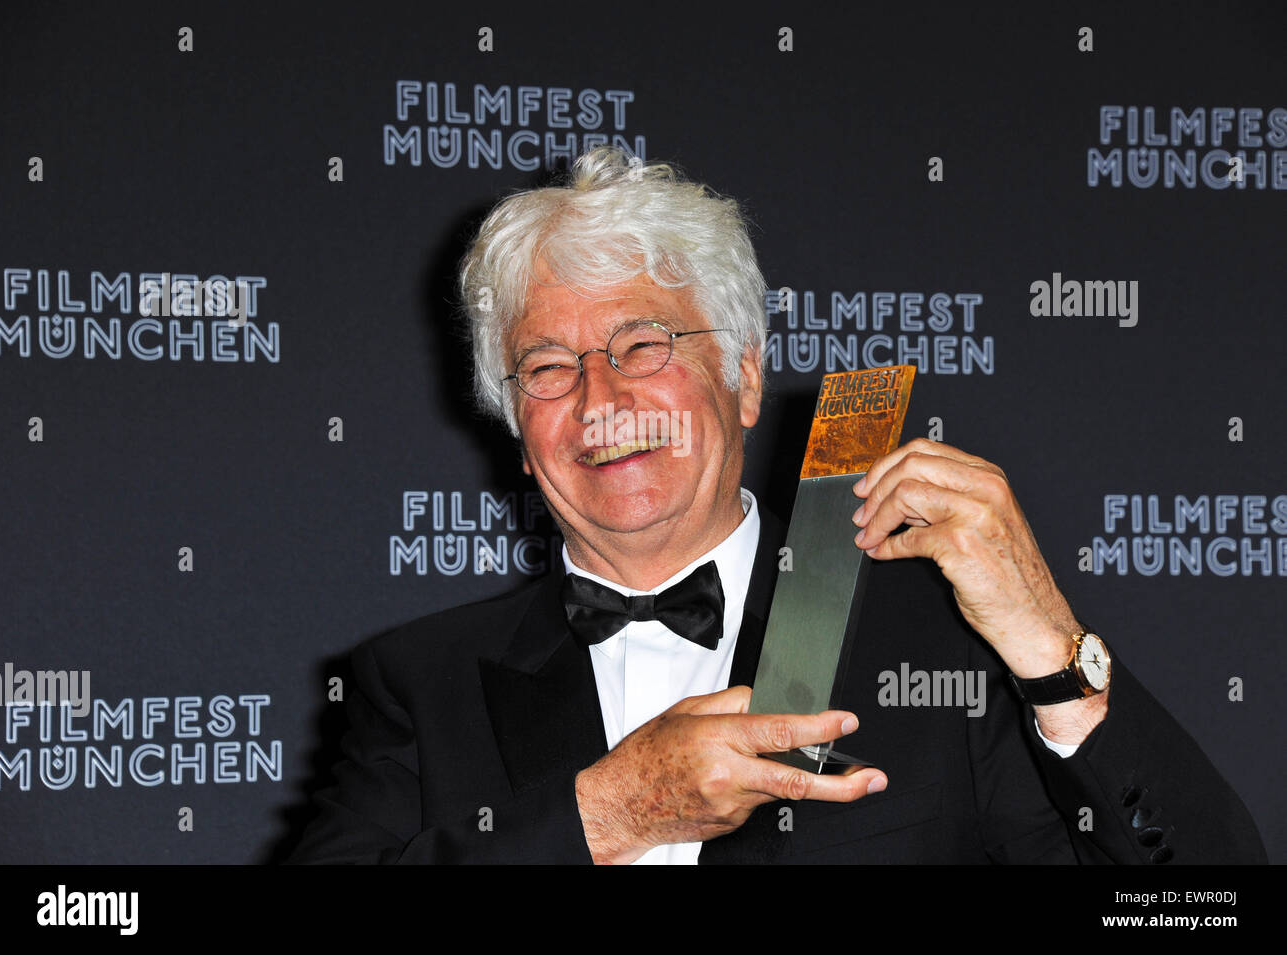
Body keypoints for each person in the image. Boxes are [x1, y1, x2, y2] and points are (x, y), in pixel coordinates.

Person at [287, 146, 1266, 864]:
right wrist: (606, 813)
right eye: (547, 367)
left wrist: (1051, 648)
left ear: (745, 380)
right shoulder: (419, 684)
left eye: (643, 346)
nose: (600, 402)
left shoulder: (937, 655)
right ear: (513, 421)